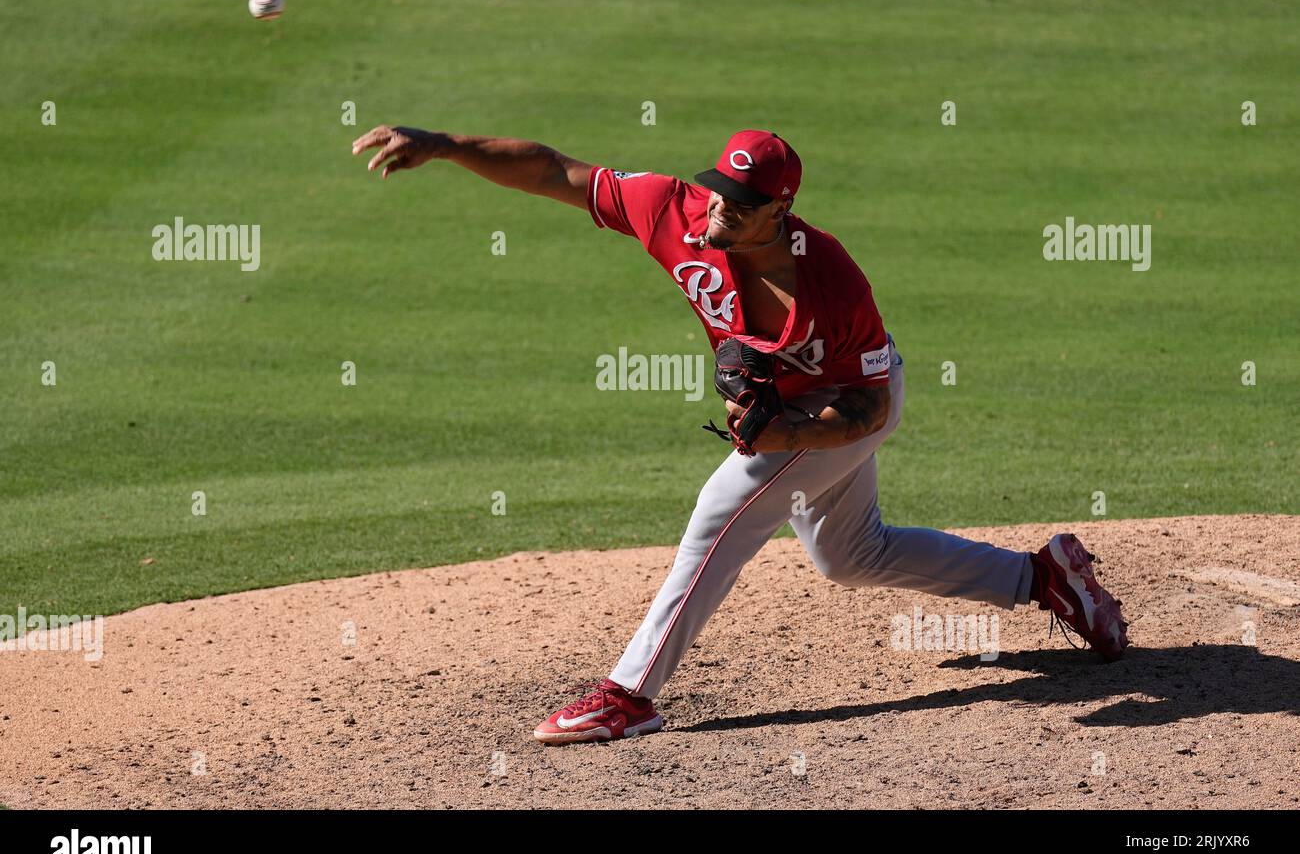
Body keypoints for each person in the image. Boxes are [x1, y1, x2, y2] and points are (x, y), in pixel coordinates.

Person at [352, 125, 1131, 745]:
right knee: (852, 556)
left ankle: (629, 697)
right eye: (718, 190)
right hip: (797, 409)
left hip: (846, 402)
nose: (717, 209)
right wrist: (449, 147)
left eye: (740, 203)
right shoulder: (674, 210)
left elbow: (865, 411)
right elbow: (558, 170)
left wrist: (787, 427)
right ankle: (1046, 579)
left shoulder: (830, 281)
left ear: (779, 213)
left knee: (719, 514)